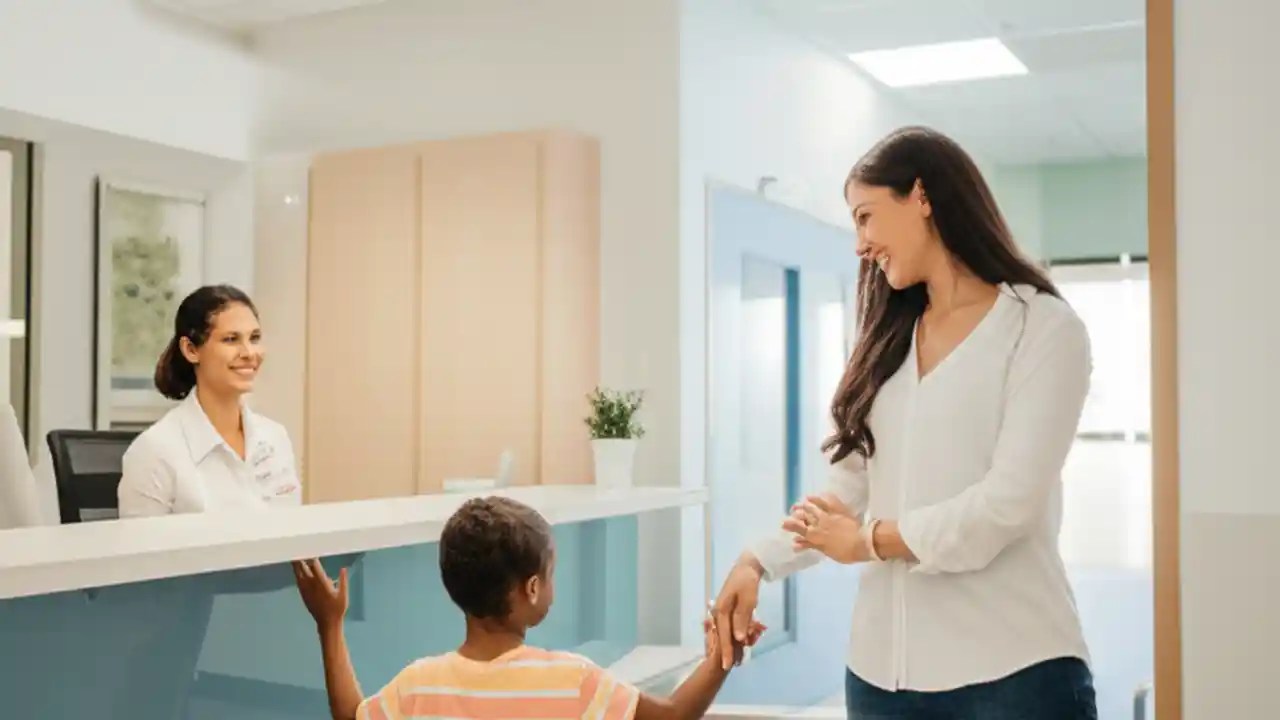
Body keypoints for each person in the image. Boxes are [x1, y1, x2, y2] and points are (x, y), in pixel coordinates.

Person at [711, 127, 1098, 719]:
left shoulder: (1041, 329)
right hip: (880, 679)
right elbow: (844, 496)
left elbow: (1007, 505)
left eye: (866, 217)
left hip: (1014, 674)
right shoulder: (886, 341)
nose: (860, 244)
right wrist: (756, 560)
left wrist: (869, 541)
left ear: (921, 195)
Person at [294, 496, 765, 720]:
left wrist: (329, 624)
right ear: (533, 588)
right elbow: (675, 717)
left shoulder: (419, 684)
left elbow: (349, 716)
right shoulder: (573, 681)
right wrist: (721, 656)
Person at [118, 284, 301, 517]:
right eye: (231, 339)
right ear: (191, 350)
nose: (249, 353)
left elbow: (292, 531)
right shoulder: (154, 451)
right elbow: (140, 551)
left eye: (254, 338)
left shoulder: (275, 437)